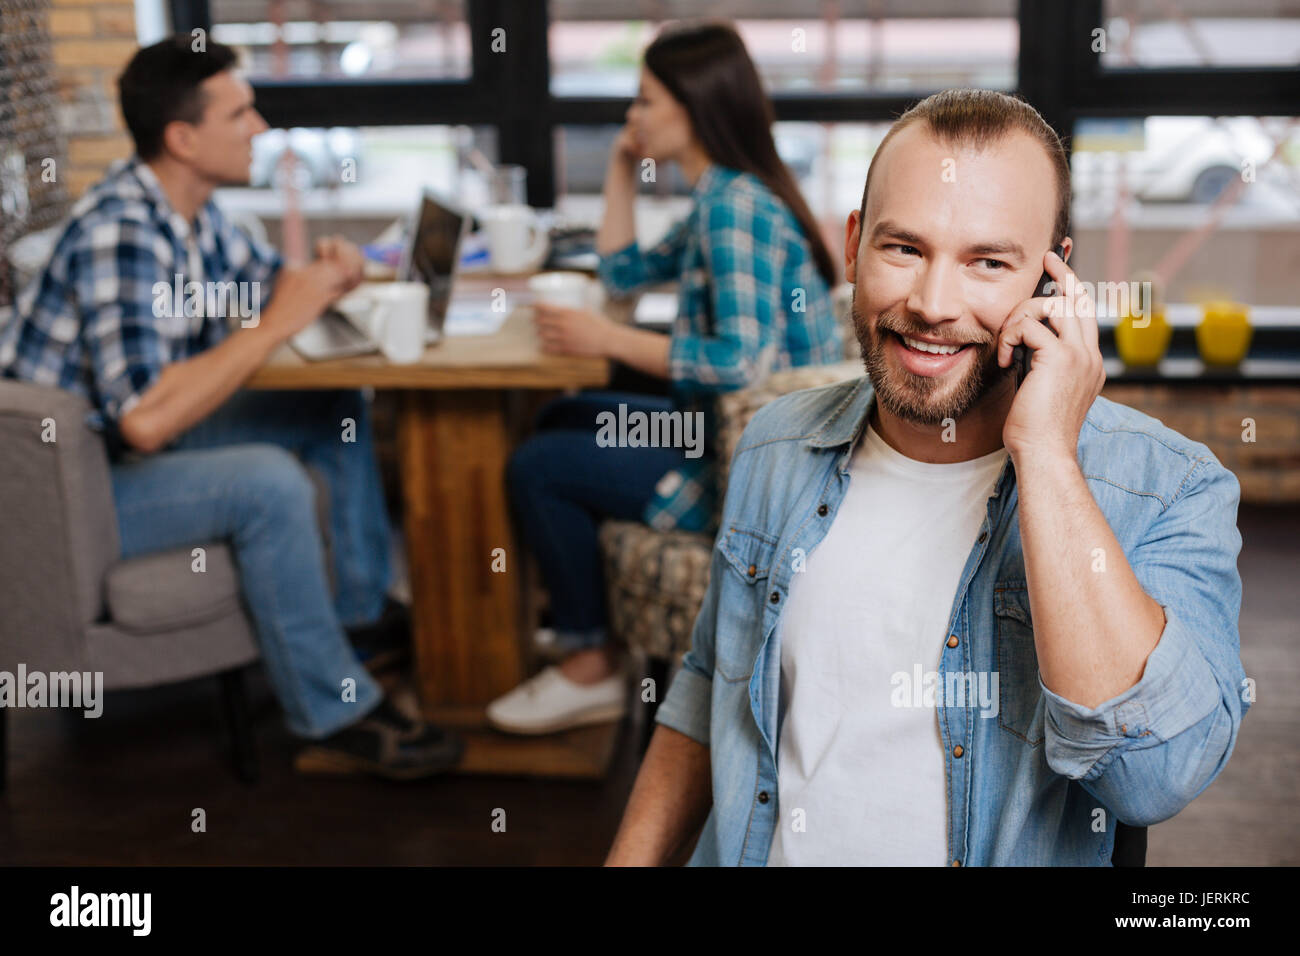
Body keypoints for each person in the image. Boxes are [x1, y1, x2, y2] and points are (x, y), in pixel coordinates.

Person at [606, 89, 1250, 865]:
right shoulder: (775, 444)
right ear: (852, 247)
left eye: (988, 261)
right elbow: (712, 685)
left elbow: (1152, 781)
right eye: (903, 249)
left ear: (1053, 279)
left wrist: (1045, 453)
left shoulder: (1171, 487)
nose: (933, 305)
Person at [0, 36, 461, 779]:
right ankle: (332, 708)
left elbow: (272, 285)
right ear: (182, 138)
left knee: (331, 407)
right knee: (267, 481)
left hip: (116, 452)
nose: (260, 128)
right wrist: (280, 317)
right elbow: (145, 420)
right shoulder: (123, 231)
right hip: (67, 498)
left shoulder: (193, 213)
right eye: (242, 113)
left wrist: (328, 275)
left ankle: (356, 624)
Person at [486, 21, 843, 736]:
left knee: (539, 465)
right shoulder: (722, 197)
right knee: (562, 417)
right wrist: (622, 166)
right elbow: (621, 269)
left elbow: (743, 362)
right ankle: (583, 626)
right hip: (706, 430)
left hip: (743, 469)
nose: (633, 117)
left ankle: (590, 664)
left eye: (645, 101)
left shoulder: (734, 210)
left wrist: (606, 338)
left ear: (696, 105)